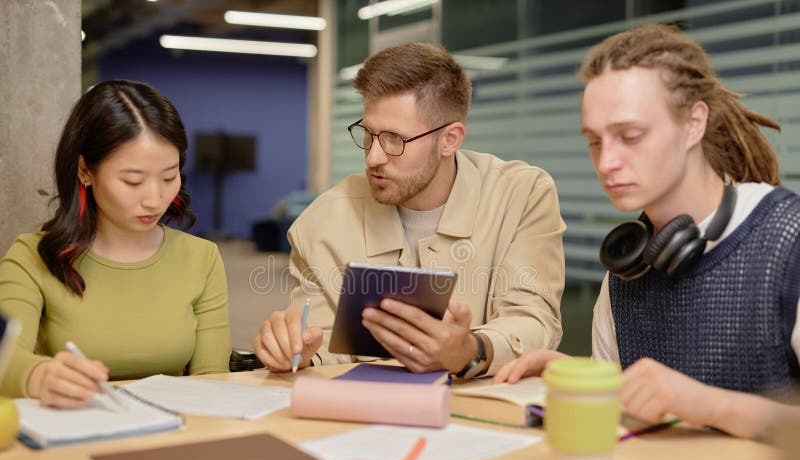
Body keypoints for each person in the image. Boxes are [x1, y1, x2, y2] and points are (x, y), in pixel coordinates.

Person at [494, 24, 800, 439]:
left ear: (694, 124)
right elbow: (636, 414)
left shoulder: (787, 238)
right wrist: (580, 376)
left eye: (630, 136)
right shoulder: (627, 270)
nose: (607, 163)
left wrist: (706, 403)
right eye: (595, 141)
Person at [254, 43, 565, 377]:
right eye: (368, 134)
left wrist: (471, 351)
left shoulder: (522, 194)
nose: (373, 156)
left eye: (394, 139)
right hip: (366, 413)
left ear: (450, 139)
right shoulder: (320, 223)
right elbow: (323, 344)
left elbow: (533, 319)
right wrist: (295, 352)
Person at [0, 80, 231, 406]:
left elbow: (212, 381)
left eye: (169, 177)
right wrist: (39, 375)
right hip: (73, 435)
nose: (155, 200)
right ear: (85, 171)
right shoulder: (32, 256)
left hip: (175, 434)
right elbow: (4, 359)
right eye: (133, 181)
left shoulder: (201, 258)